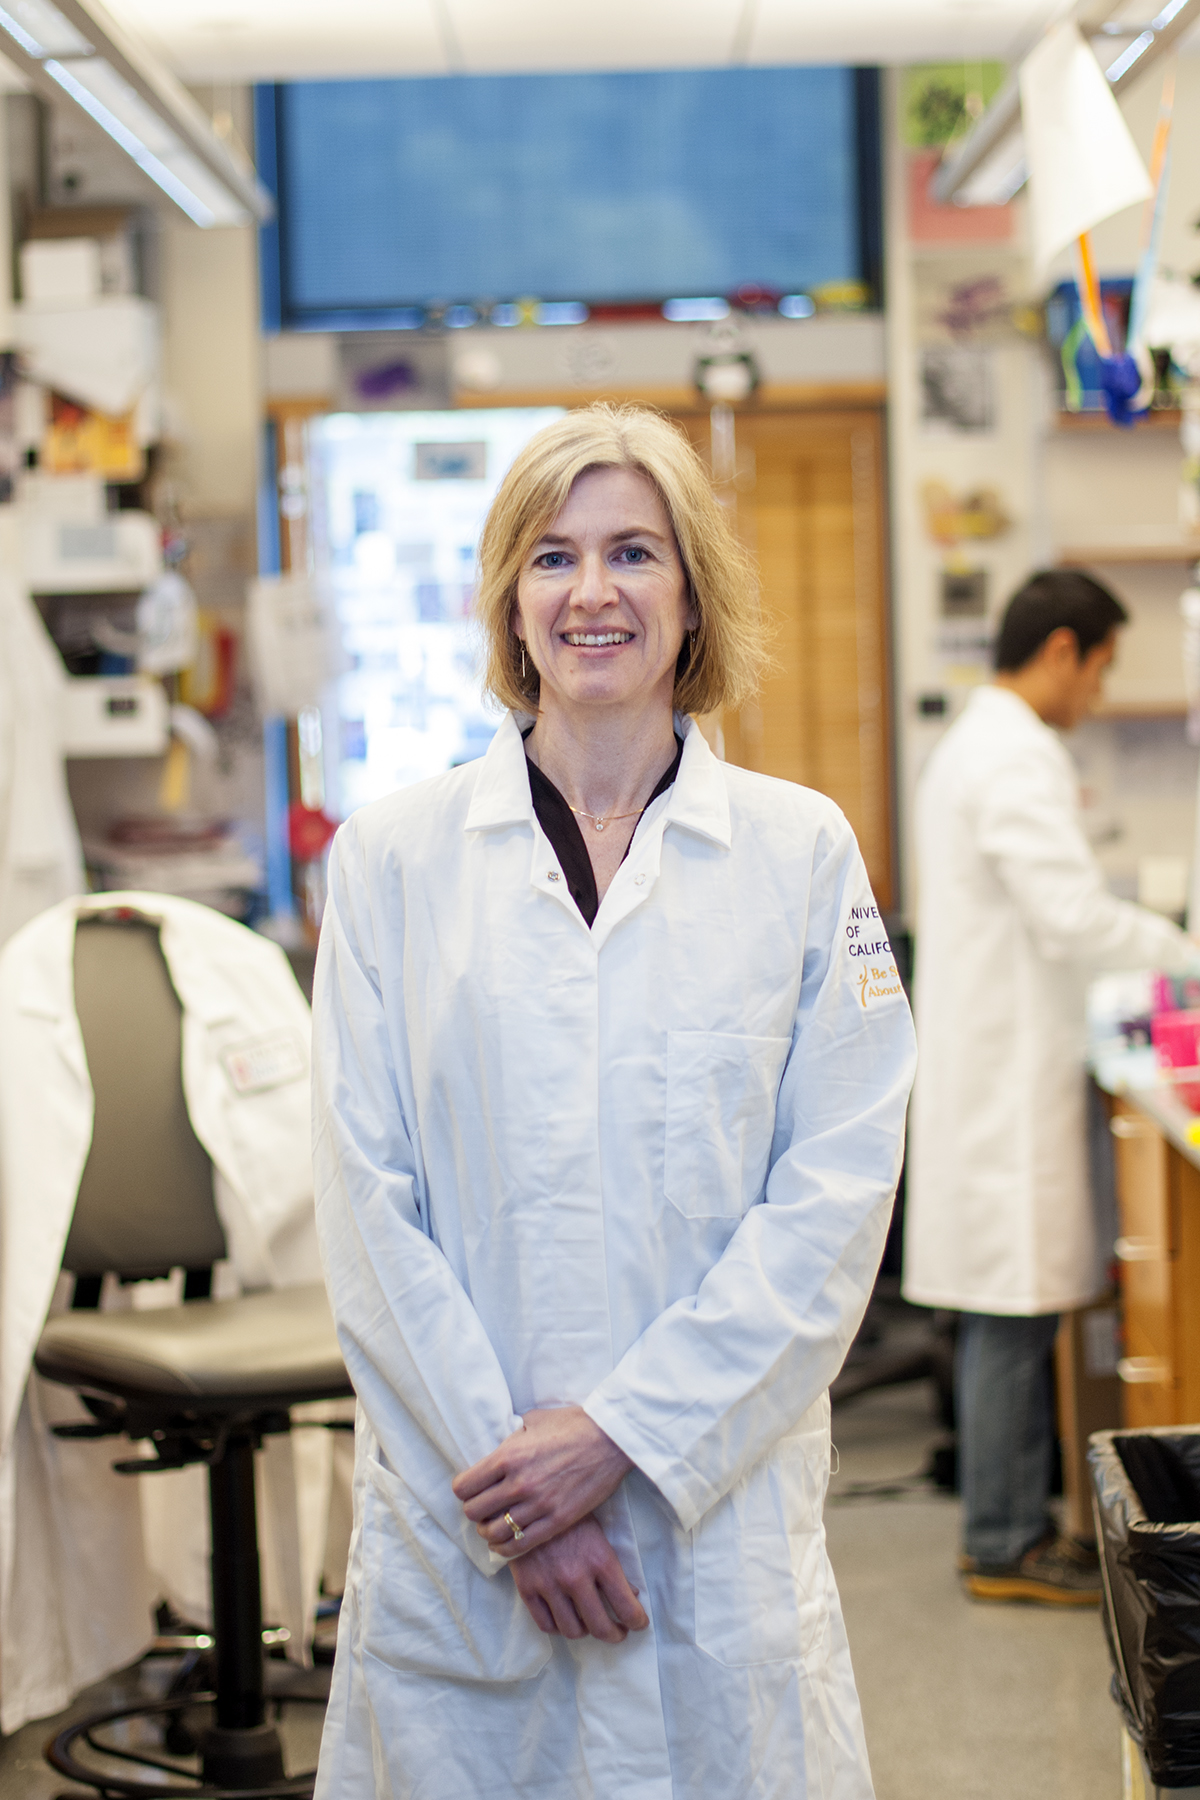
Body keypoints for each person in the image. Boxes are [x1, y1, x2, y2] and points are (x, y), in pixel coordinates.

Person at [312, 404, 916, 1800]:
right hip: (474, 1536)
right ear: (507, 602)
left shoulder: (797, 853)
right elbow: (365, 1204)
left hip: (707, 1525)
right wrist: (519, 1497)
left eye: (634, 552)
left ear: (692, 593)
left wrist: (623, 1440)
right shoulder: (397, 861)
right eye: (553, 557)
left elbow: (831, 1203)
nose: (593, 593)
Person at [903, 570, 1200, 1606]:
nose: (1100, 696)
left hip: (995, 1063)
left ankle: (1008, 1527)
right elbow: (1071, 917)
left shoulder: (985, 747)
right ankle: (1001, 1540)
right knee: (1011, 1315)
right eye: (1104, 669)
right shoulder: (1012, 755)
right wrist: (1182, 948)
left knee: (1009, 1314)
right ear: (1065, 649)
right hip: (1000, 1082)